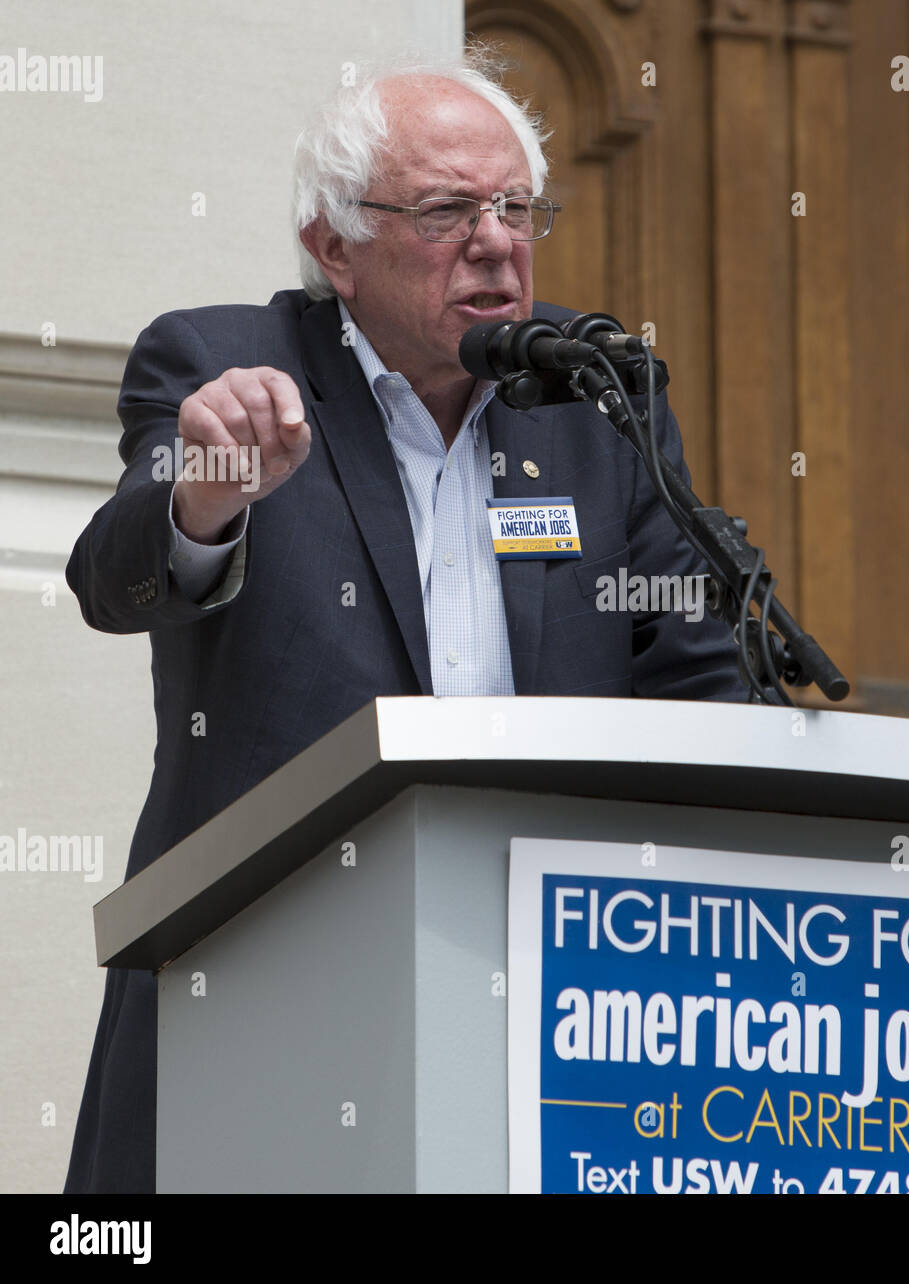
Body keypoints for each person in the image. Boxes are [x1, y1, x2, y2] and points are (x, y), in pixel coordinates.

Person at [64, 51, 746, 1193]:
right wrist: (206, 496)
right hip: (266, 967)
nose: (495, 242)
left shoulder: (593, 393)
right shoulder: (228, 364)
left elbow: (695, 674)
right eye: (445, 211)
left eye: (515, 208)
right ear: (333, 246)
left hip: (548, 986)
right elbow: (111, 579)